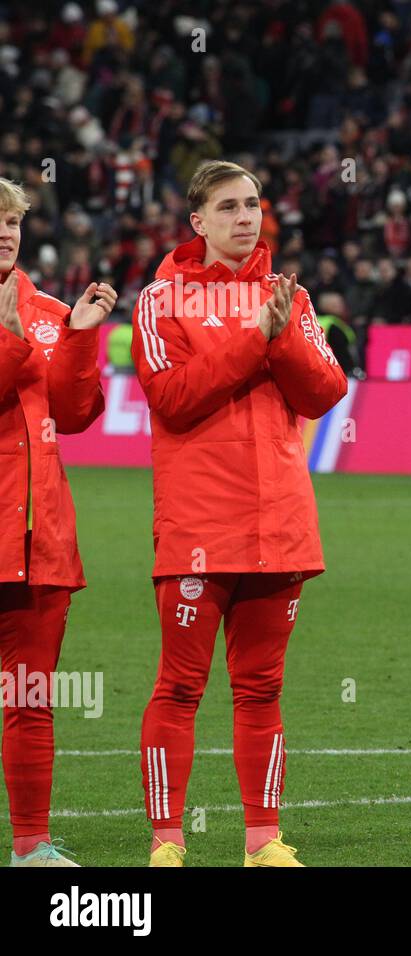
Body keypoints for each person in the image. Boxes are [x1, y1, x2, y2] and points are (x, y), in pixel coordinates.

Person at [132, 160, 348, 867]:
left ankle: (264, 840)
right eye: (227, 206)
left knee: (261, 689)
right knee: (180, 685)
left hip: (279, 524)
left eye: (253, 203)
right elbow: (174, 397)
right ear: (197, 221)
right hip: (198, 525)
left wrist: (280, 331)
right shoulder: (160, 302)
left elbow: (324, 393)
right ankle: (168, 838)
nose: (245, 217)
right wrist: (256, 336)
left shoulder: (292, 297)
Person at [0, 177, 114, 867]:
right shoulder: (22, 321)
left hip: (38, 540)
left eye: (11, 223)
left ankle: (31, 846)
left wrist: (76, 340)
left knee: (29, 697)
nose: (6, 235)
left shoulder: (48, 309)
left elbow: (73, 414)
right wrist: (13, 340)